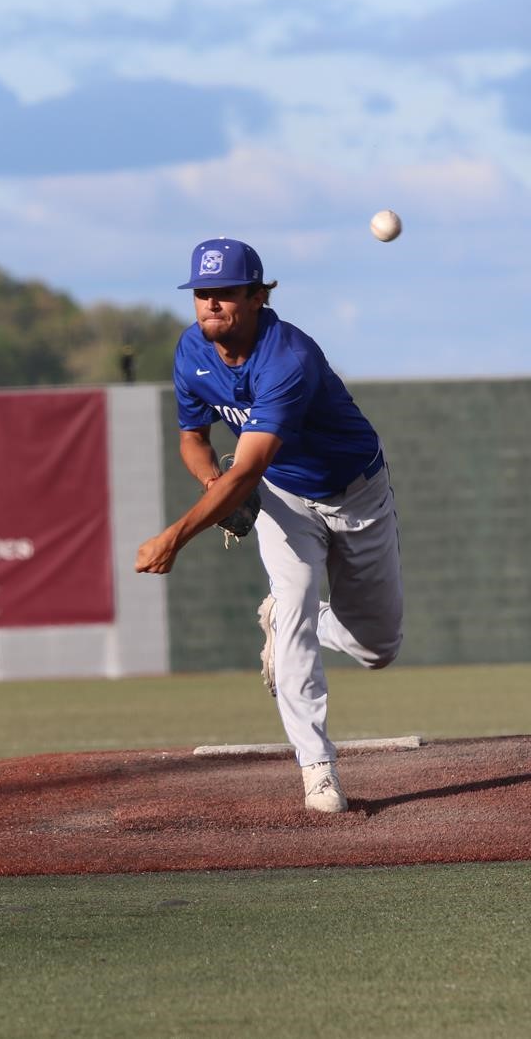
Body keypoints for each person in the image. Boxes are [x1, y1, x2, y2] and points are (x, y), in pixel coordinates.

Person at [135, 237, 404, 813]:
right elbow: (193, 439)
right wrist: (214, 486)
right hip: (283, 498)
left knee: (376, 647)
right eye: (201, 294)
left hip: (355, 494)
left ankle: (285, 619)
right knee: (297, 604)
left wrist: (173, 538)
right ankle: (318, 770)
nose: (210, 304)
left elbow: (249, 464)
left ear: (258, 296)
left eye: (225, 293)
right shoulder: (191, 351)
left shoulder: (289, 357)